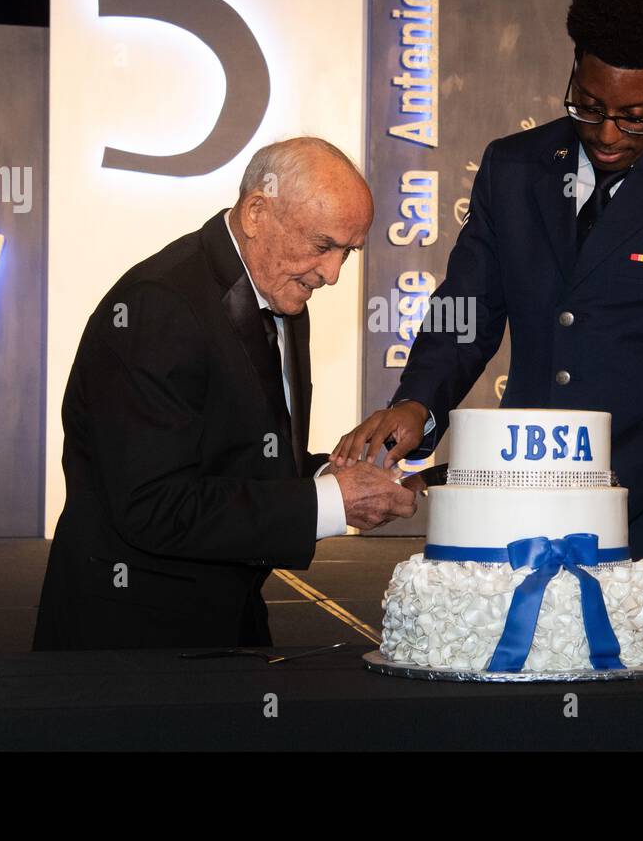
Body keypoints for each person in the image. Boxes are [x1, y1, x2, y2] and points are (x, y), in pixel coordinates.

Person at [333, 0, 643, 642]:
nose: (606, 132)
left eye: (636, 117)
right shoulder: (513, 167)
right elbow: (467, 312)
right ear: (573, 71)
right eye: (588, 105)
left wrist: (602, 479)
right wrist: (417, 404)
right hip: (520, 519)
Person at [34, 138, 416, 651]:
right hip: (130, 645)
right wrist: (328, 502)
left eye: (348, 252)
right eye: (323, 245)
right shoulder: (159, 306)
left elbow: (233, 462)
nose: (332, 274)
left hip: (227, 627)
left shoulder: (282, 293)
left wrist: (334, 474)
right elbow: (153, 504)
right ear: (258, 211)